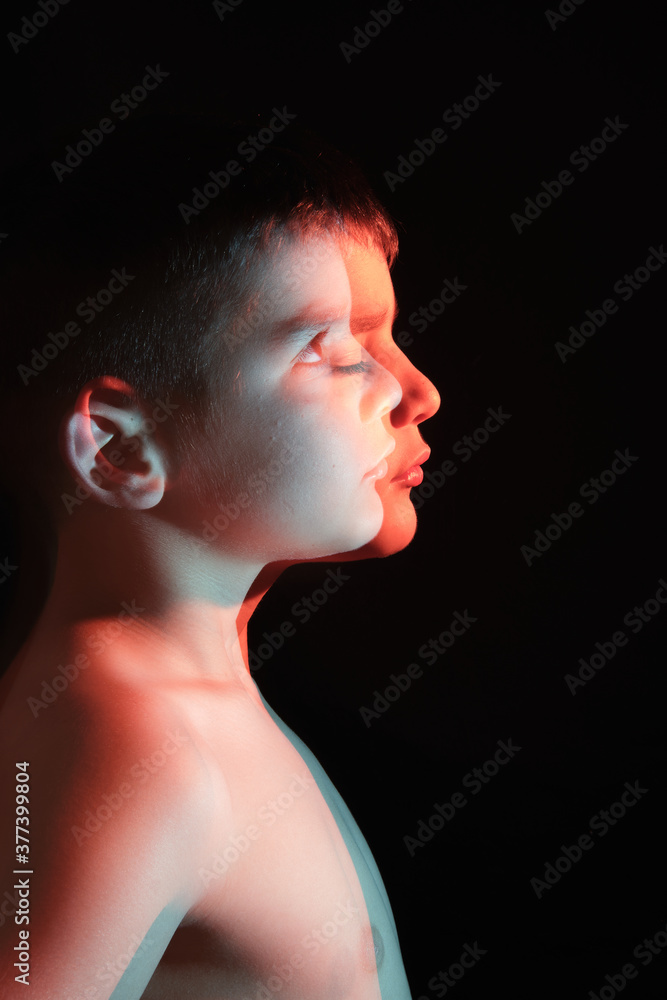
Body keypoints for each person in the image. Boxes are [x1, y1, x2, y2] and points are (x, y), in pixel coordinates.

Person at [0, 112, 439, 999]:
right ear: (121, 451)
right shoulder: (126, 739)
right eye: (333, 350)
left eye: (386, 336)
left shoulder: (183, 704)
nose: (414, 391)